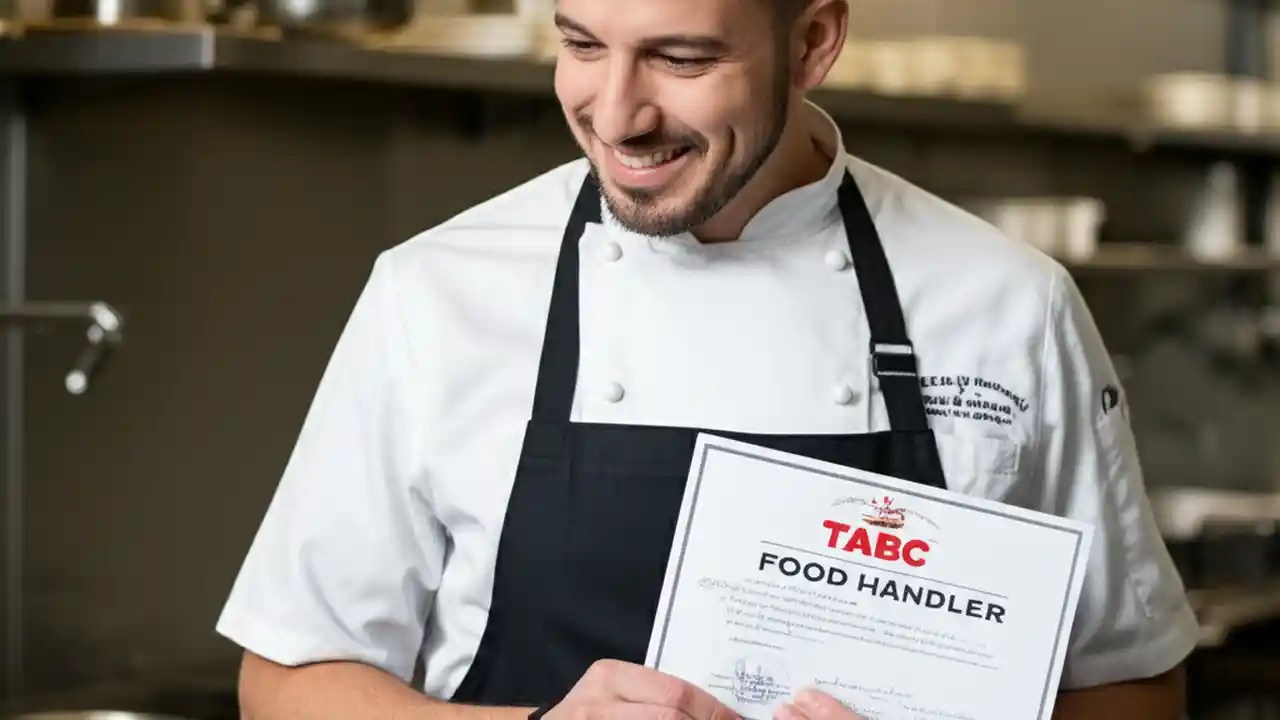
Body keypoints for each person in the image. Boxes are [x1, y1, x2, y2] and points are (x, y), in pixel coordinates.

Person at [215, 0, 1200, 717]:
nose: (614, 114)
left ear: (811, 42)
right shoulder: (435, 293)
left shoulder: (1004, 305)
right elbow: (288, 681)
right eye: (579, 44)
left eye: (679, 59)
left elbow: (1130, 685)